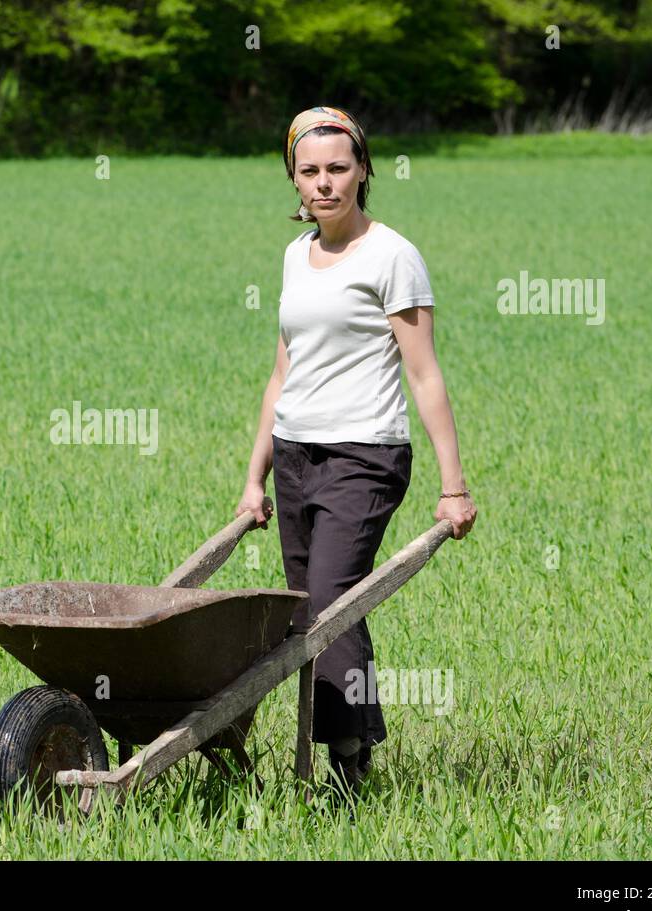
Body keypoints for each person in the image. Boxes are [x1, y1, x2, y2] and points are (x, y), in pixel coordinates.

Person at [236, 105, 477, 799]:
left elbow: (424, 372)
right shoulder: (293, 255)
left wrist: (453, 485)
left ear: (364, 170)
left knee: (332, 603)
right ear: (293, 179)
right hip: (297, 452)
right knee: (303, 609)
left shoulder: (391, 255)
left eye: (338, 168)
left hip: (365, 454)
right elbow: (282, 373)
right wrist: (255, 477)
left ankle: (347, 758)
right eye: (308, 172)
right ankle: (344, 746)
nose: (324, 184)